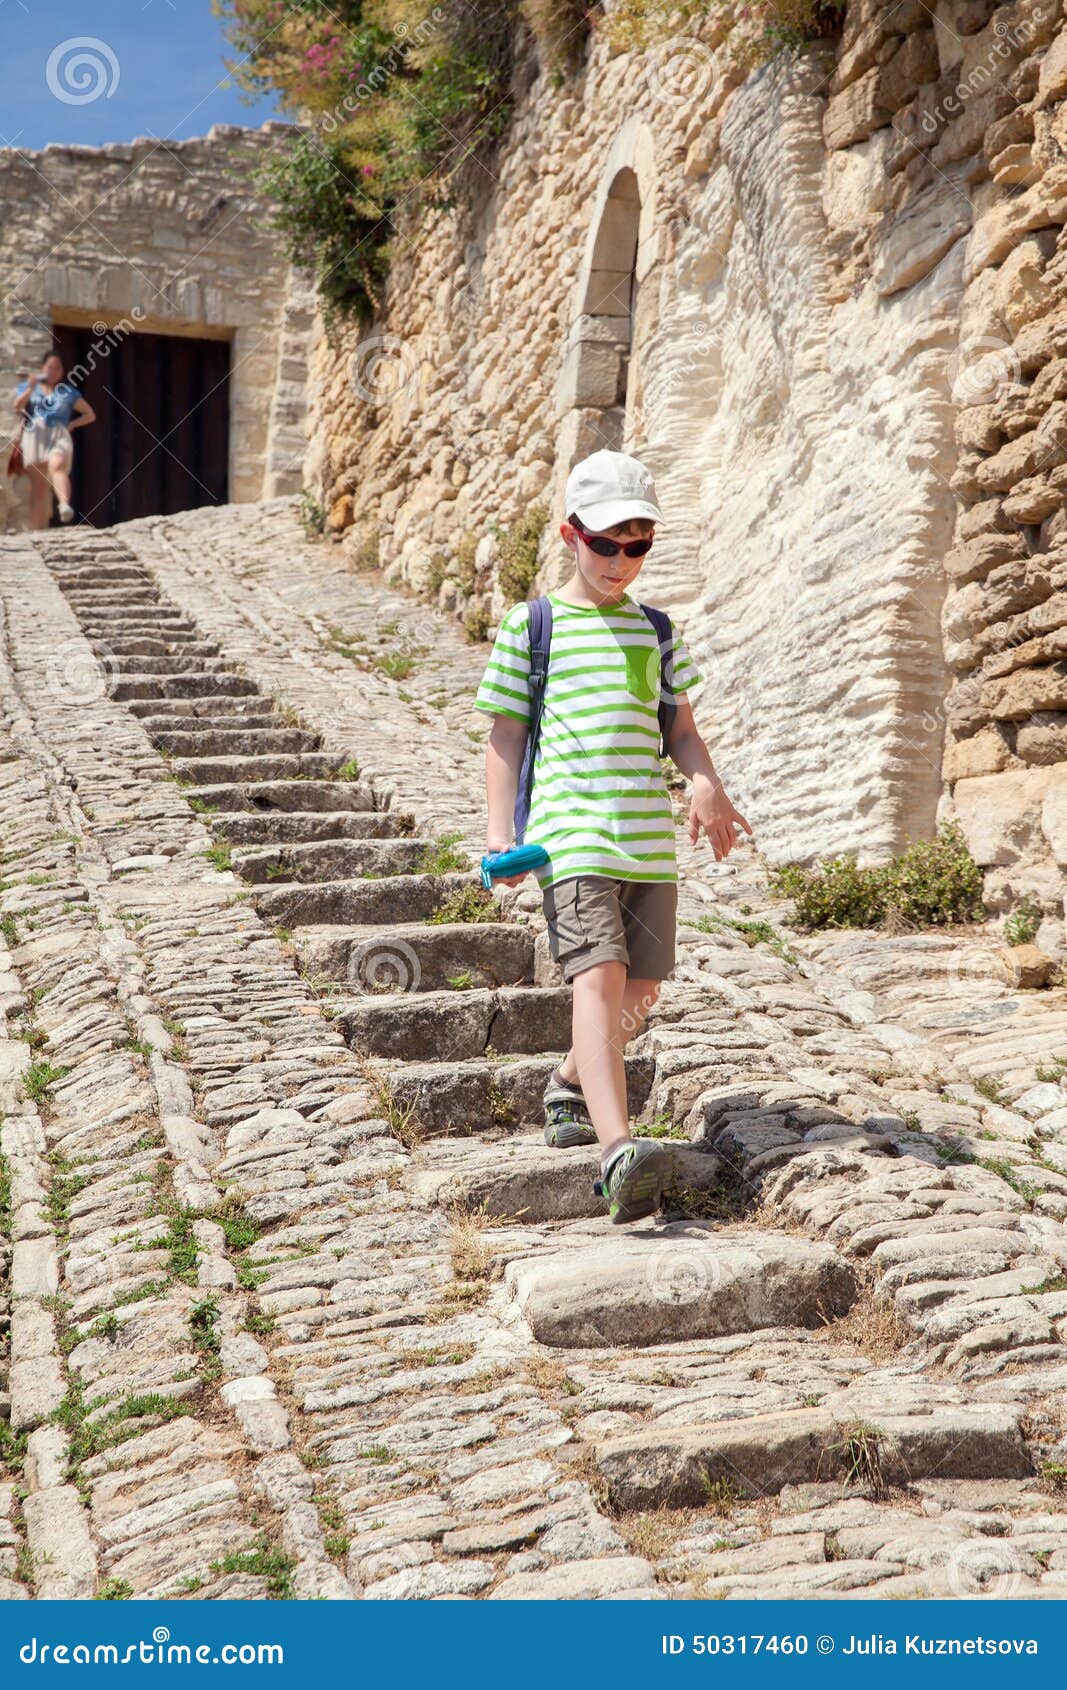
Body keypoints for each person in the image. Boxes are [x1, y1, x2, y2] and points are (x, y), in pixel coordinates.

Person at [474, 449, 752, 1225]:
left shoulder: (655, 632)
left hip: (645, 843)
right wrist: (501, 837)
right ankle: (615, 1153)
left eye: (639, 546)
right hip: (571, 841)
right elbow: (504, 739)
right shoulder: (531, 627)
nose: (621, 561)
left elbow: (682, 732)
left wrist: (705, 786)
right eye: (606, 544)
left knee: (643, 989)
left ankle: (567, 1083)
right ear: (570, 535)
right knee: (596, 979)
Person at [13, 352, 95, 529]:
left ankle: (64, 505)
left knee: (57, 465)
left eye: (58, 368)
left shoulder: (68, 392)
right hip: (34, 435)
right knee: (39, 487)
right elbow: (18, 405)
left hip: (58, 434)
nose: (54, 371)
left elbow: (90, 414)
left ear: (62, 371)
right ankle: (38, 530)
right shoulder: (29, 387)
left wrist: (72, 424)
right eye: (50, 367)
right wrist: (30, 387)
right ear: (43, 368)